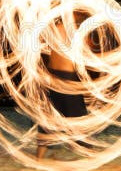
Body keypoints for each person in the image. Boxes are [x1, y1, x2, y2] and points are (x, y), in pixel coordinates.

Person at [37, 15, 91, 160]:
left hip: (52, 77)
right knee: (78, 118)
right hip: (68, 79)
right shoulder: (78, 33)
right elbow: (85, 57)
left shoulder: (53, 29)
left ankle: (39, 157)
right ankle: (88, 156)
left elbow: (40, 42)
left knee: (48, 118)